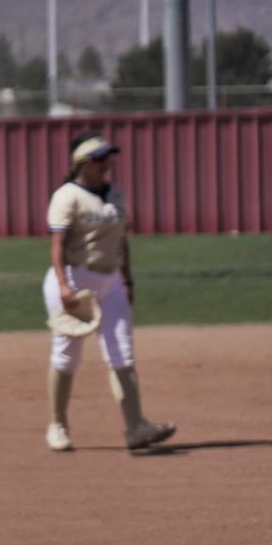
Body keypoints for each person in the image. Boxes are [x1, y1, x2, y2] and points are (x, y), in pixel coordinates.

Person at [43, 131, 175, 452]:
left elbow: (121, 241)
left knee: (122, 354)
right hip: (75, 280)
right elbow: (57, 246)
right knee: (67, 355)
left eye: (108, 157)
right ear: (83, 164)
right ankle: (57, 425)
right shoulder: (67, 196)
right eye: (101, 158)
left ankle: (136, 428)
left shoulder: (116, 193)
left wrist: (127, 281)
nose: (108, 164)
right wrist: (63, 286)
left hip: (111, 282)